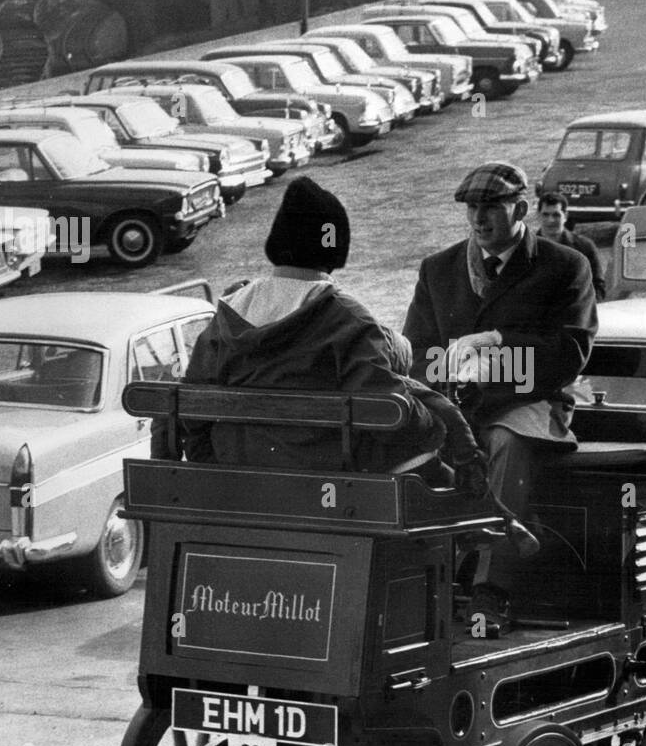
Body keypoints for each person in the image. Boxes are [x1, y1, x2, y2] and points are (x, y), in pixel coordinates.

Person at [178, 176, 482, 480]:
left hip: (239, 468)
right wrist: (433, 427)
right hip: (329, 476)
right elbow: (386, 410)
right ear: (333, 249)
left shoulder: (228, 312)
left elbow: (193, 401)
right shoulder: (347, 318)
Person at [403, 160, 598, 632]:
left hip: (531, 402)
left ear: (522, 209)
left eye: (491, 207)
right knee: (407, 447)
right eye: (472, 208)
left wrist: (495, 349)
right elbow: (416, 352)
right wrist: (448, 372)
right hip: (455, 405)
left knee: (506, 442)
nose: (478, 218)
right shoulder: (439, 268)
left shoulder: (565, 266)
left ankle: (492, 592)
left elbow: (571, 352)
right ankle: (418, 583)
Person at [536, 190, 606, 299]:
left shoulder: (584, 247)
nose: (550, 220)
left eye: (556, 215)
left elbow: (598, 288)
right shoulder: (526, 249)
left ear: (566, 216)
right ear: (538, 216)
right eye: (545, 214)